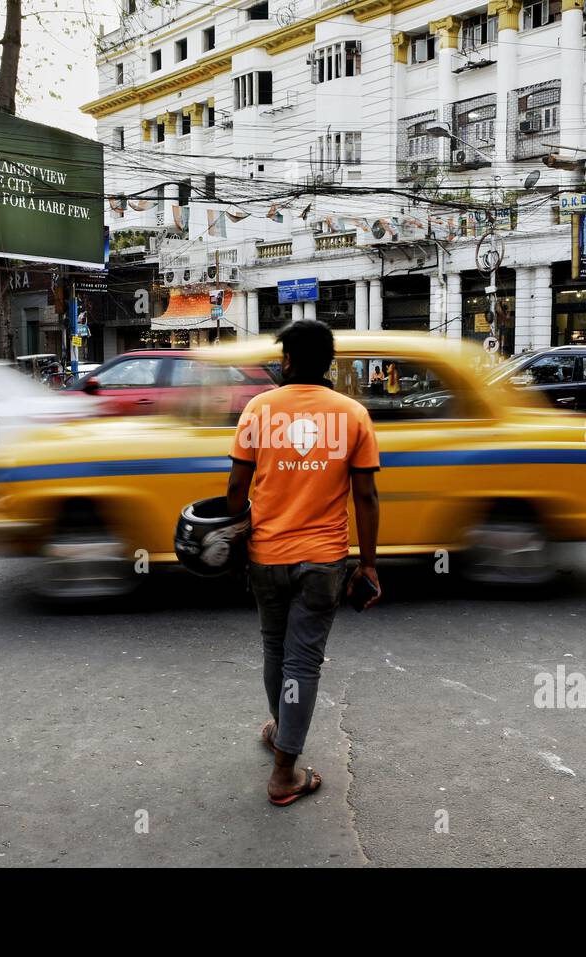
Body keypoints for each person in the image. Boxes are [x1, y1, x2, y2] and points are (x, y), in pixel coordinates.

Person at [226, 319, 381, 807]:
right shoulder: (353, 414)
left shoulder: (258, 408)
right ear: (329, 363)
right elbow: (367, 496)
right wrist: (369, 565)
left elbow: (236, 490)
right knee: (303, 662)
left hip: (266, 556)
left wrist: (236, 541)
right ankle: (283, 768)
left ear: (288, 361)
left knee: (277, 651)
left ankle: (282, 742)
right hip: (323, 560)